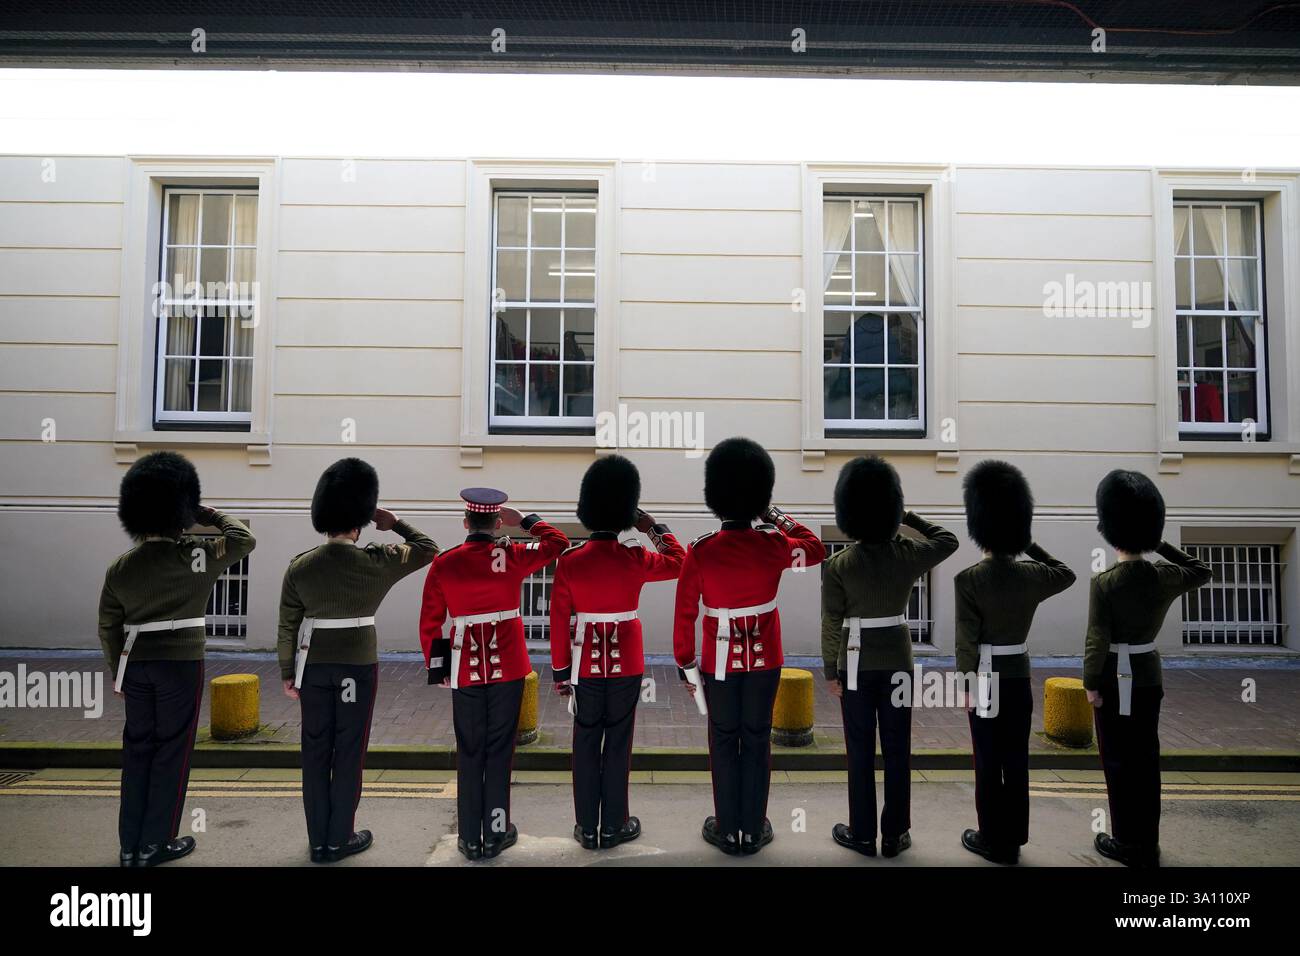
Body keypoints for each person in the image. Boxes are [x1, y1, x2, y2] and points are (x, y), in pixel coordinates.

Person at [98, 450, 256, 867]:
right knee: (172, 752)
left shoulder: (121, 567)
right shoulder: (196, 555)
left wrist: (119, 674)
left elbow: (108, 627)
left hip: (136, 665)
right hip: (181, 663)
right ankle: (157, 843)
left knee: (137, 752)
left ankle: (130, 846)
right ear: (179, 512)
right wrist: (210, 513)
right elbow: (245, 540)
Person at [277, 458, 437, 863]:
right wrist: (395, 522)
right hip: (358, 667)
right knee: (349, 750)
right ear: (360, 521)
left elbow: (287, 625)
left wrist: (285, 673)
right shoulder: (375, 561)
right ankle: (340, 837)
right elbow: (428, 549)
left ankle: (318, 841)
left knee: (315, 752)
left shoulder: (301, 565)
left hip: (312, 668)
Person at [673, 437, 827, 856]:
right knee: (757, 741)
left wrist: (686, 666)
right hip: (764, 662)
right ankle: (753, 829)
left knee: (723, 741)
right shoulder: (774, 545)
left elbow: (684, 614)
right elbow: (815, 548)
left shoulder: (700, 550)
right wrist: (773, 514)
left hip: (718, 665)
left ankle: (727, 828)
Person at [420, 488, 569, 860]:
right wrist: (528, 520)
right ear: (498, 522)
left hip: (465, 668)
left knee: (470, 752)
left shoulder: (446, 561)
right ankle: (497, 831)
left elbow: (431, 620)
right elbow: (558, 543)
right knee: (501, 752)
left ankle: (470, 837)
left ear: (466, 522)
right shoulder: (511, 553)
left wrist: (438, 668)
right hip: (509, 668)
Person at [822, 456, 958, 859]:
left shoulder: (838, 565)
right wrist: (905, 514)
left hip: (854, 664)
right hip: (898, 661)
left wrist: (830, 669)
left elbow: (831, 622)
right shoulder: (907, 554)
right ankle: (895, 834)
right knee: (898, 750)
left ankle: (862, 833)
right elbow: (947, 539)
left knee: (859, 750)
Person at [550, 455, 684, 849]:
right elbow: (681, 562)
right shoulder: (635, 556)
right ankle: (614, 824)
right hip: (626, 662)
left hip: (583, 665)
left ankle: (585, 826)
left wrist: (560, 672)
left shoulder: (570, 560)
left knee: (586, 741)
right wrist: (651, 527)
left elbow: (559, 621)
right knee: (619, 742)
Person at [1086, 469, 1211, 868]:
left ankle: (1126, 841)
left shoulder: (1105, 582)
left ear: (1109, 528)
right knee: (1145, 760)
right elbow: (1202, 571)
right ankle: (1148, 841)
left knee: (1118, 762)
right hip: (1148, 675)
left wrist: (1090, 683)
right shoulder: (1164, 576)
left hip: (1112, 676)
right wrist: (1159, 543)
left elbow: (1096, 640)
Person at [954, 460, 1076, 865]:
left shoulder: (968, 579)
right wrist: (1028, 543)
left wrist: (968, 686)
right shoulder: (1031, 576)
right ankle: (1015, 837)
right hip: (1018, 678)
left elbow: (966, 643)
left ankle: (991, 836)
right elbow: (1066, 573)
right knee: (1015, 759)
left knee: (988, 761)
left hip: (986, 680)